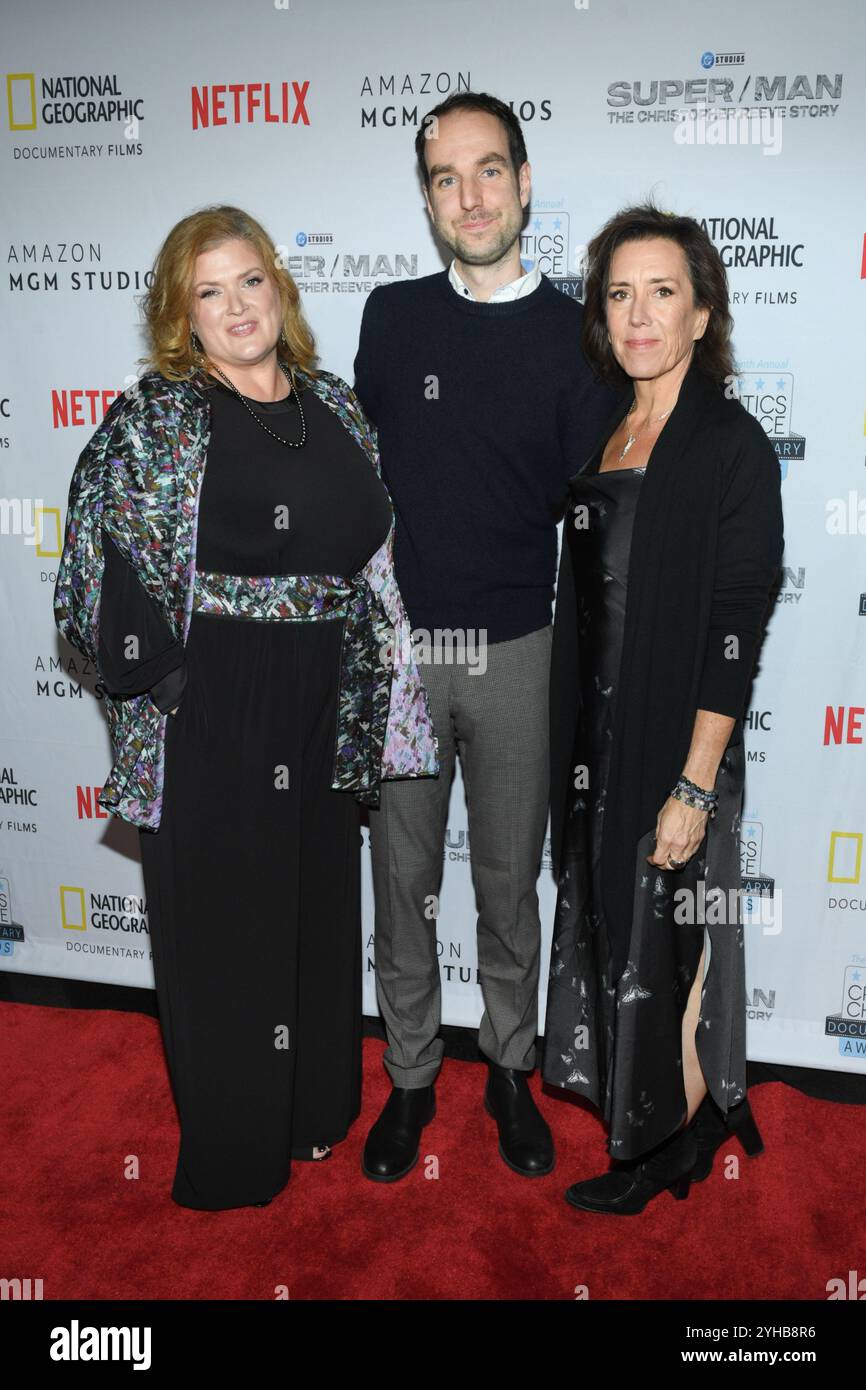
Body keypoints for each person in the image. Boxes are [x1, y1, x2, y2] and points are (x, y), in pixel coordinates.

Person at [54, 205, 438, 1211]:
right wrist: (164, 679)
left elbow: (372, 552)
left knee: (310, 905)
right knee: (226, 924)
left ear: (279, 287)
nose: (236, 306)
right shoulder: (161, 416)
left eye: (249, 281)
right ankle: (233, 1152)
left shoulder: (336, 406)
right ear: (182, 315)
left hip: (323, 696)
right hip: (215, 700)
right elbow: (93, 557)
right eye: (209, 291)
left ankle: (311, 1109)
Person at [353, 92, 617, 1183]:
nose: (468, 195)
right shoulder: (390, 317)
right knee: (402, 883)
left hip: (518, 653)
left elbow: (594, 513)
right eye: (444, 177)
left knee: (509, 885)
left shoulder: (575, 337)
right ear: (426, 196)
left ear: (521, 179)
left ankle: (511, 1068)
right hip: (405, 653)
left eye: (487, 171)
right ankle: (410, 1078)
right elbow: (363, 484)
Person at [543, 203, 784, 1215]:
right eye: (618, 294)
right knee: (614, 927)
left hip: (674, 739)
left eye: (662, 292)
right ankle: (653, 1124)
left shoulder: (729, 443)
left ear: (700, 312)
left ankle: (662, 1146)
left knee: (669, 944)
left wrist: (693, 782)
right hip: (595, 736)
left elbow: (735, 621)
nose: (638, 314)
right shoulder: (608, 424)